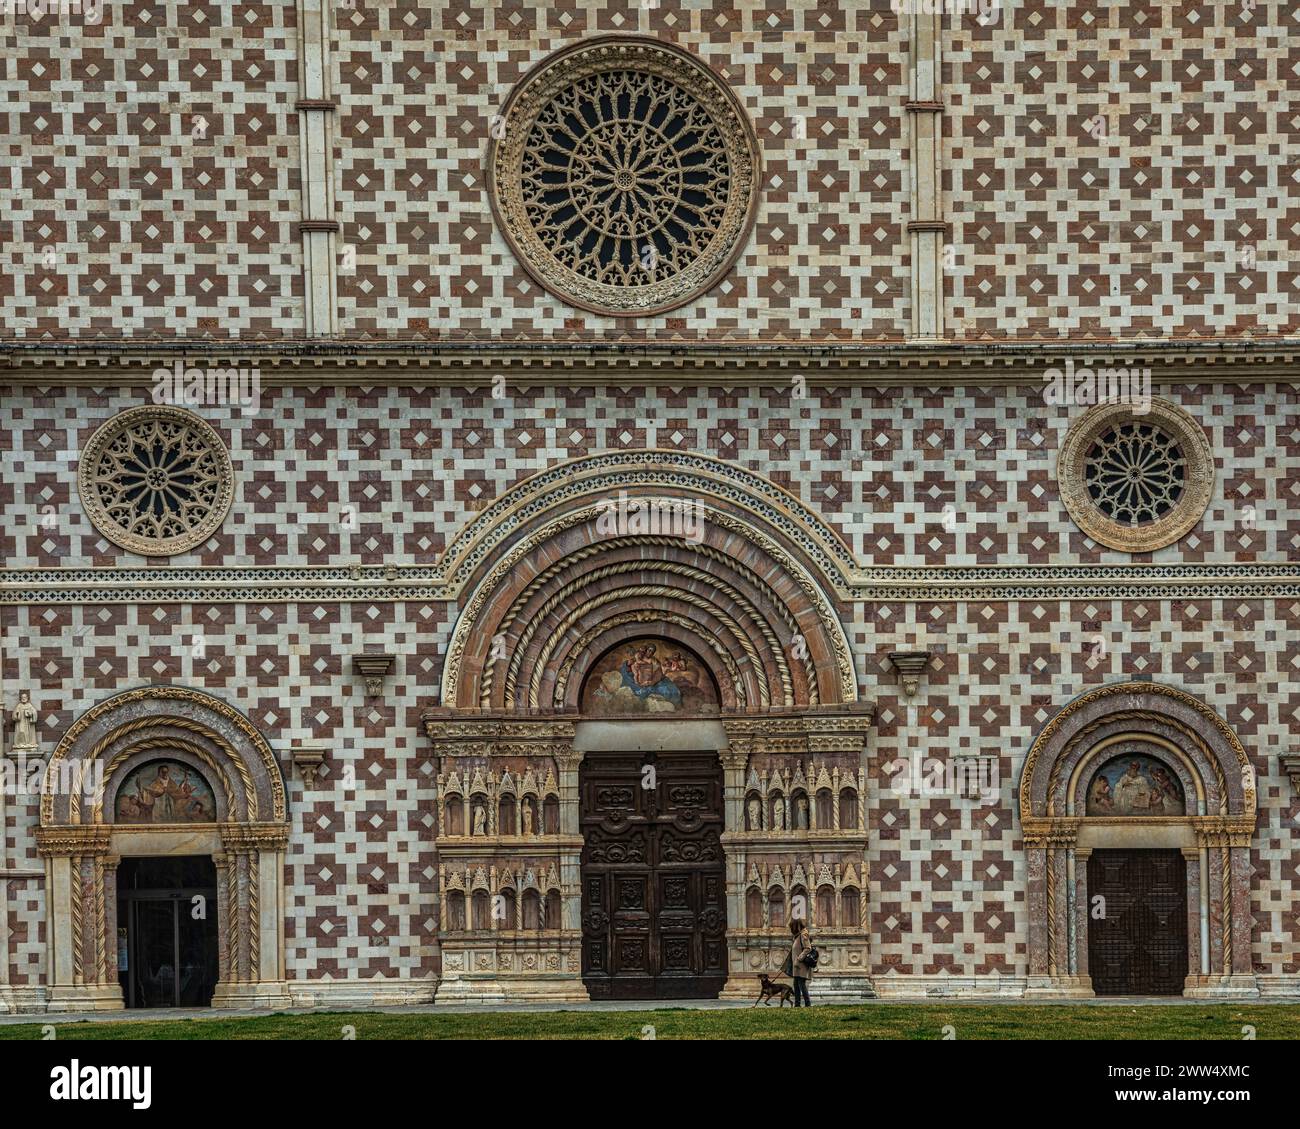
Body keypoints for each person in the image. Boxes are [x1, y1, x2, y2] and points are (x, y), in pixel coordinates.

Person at [789, 918, 813, 1007]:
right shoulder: (798, 936)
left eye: (792, 927)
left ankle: (807, 1004)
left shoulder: (803, 934)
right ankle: (797, 1004)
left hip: (801, 965)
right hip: (797, 965)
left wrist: (799, 959)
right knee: (796, 985)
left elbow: (808, 948)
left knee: (801, 984)